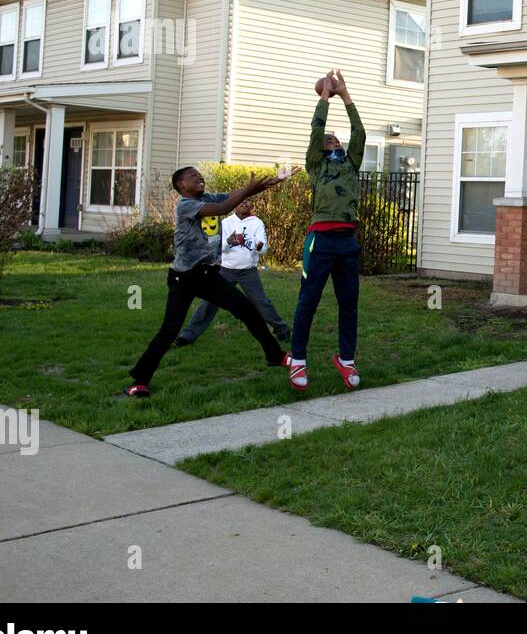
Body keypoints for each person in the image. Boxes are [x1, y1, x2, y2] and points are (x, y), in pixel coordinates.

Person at [125, 167, 289, 397]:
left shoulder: (205, 198)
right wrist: (248, 191)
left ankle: (275, 355)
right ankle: (140, 379)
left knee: (247, 310)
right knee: (169, 331)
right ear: (182, 185)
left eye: (200, 175)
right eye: (193, 176)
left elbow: (230, 196)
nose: (200, 177)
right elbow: (223, 208)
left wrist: (256, 188)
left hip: (208, 275)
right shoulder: (186, 205)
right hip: (184, 278)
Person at [288, 69, 364, 392]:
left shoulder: (350, 164)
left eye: (335, 139)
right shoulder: (315, 165)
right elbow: (316, 128)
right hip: (320, 240)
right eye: (326, 140)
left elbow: (358, 130)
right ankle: (298, 360)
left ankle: (346, 360)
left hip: (347, 241)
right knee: (309, 300)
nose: (331, 140)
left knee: (349, 303)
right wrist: (324, 96)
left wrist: (344, 94)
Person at [174, 197, 291, 347]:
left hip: (248, 272)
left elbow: (263, 248)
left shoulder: (257, 222)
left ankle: (282, 329)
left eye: (248, 200)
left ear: (252, 204)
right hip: (225, 270)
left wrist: (260, 246)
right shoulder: (226, 222)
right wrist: (229, 241)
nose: (244, 203)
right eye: (241, 200)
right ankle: (187, 337)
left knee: (261, 303)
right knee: (208, 303)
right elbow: (216, 248)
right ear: (235, 203)